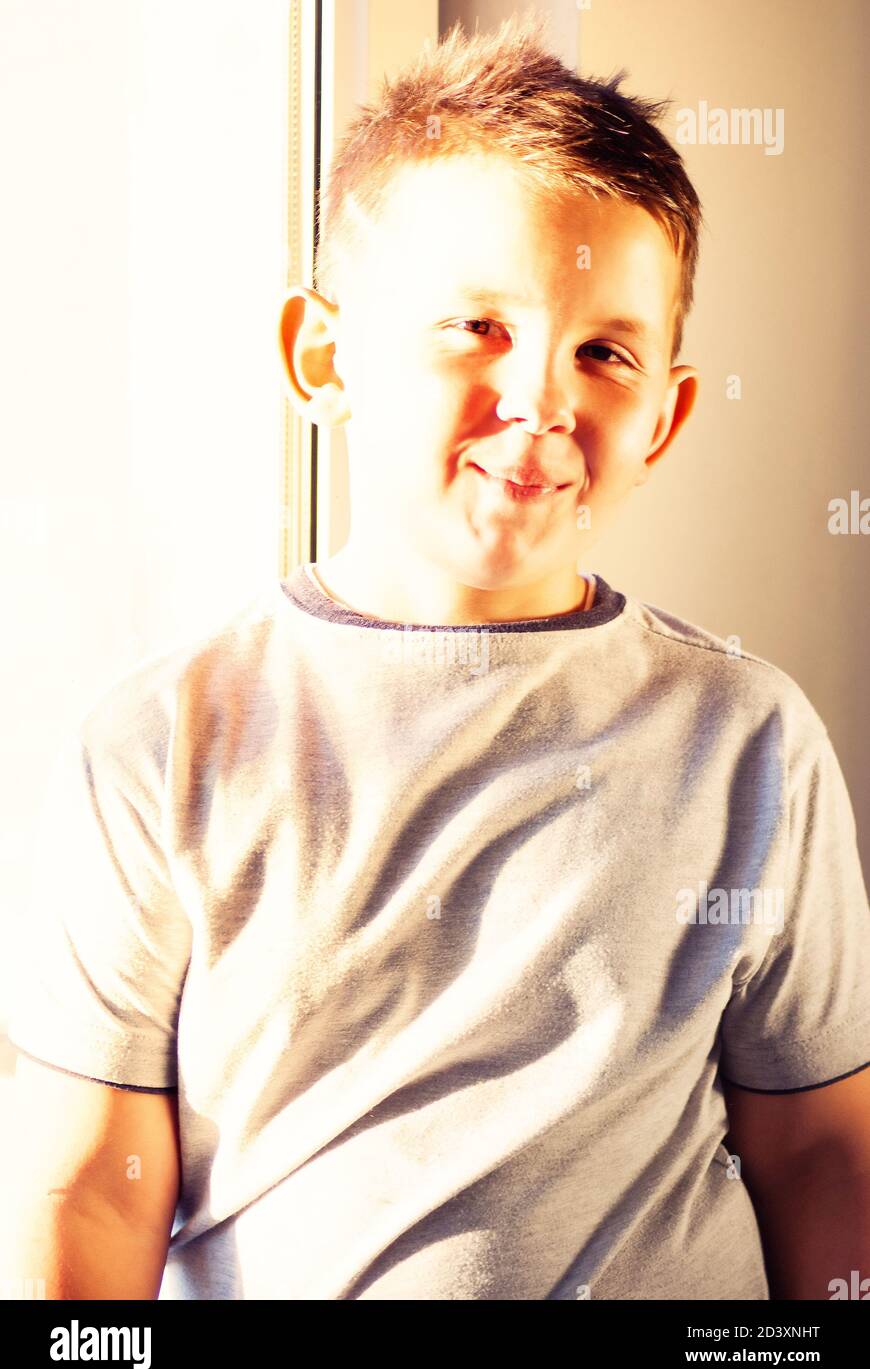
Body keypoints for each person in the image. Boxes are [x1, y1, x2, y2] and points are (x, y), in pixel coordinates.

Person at [3, 12, 869, 1302]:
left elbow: (819, 1156)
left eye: (604, 352)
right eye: (474, 328)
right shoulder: (161, 746)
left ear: (668, 414)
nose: (542, 399)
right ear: (322, 355)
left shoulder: (750, 737)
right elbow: (86, 1189)